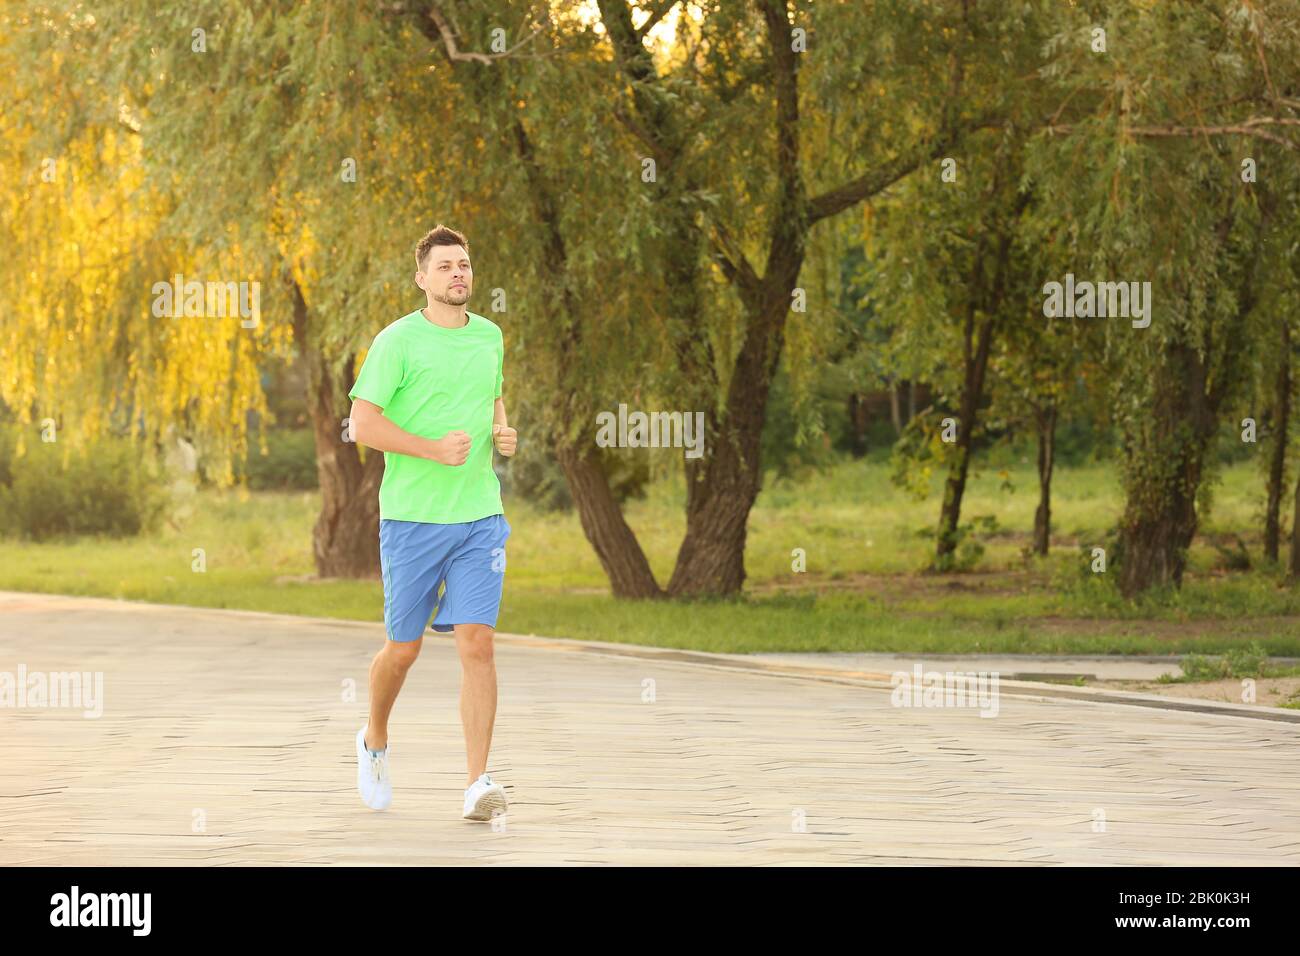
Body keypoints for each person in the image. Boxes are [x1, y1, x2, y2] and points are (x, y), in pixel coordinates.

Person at [346, 223, 517, 822]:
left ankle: (478, 782)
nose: (458, 274)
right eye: (444, 266)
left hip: (479, 517)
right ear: (422, 279)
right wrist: (429, 448)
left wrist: (503, 430)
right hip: (413, 519)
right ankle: (374, 739)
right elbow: (363, 426)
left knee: (478, 643)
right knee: (404, 647)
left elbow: (491, 394)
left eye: (464, 264)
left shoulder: (490, 337)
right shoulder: (397, 342)